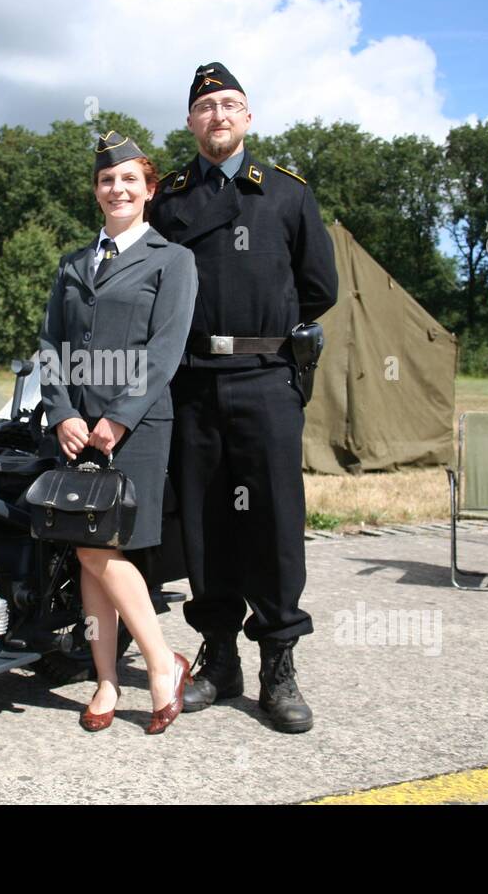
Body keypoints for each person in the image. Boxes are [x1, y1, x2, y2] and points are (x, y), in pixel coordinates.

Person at [148, 62, 338, 733]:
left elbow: (320, 288)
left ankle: (279, 668)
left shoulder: (286, 196)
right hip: (193, 383)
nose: (218, 116)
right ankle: (221, 659)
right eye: (206, 107)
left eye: (231, 105)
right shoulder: (167, 201)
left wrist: (263, 334)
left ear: (248, 118)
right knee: (204, 525)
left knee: (276, 527)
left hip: (265, 381)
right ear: (192, 121)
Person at [36, 130, 199, 734]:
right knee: (87, 547)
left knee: (106, 548)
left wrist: (119, 416)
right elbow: (50, 345)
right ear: (97, 192)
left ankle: (161, 664)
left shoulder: (172, 260)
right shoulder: (72, 263)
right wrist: (62, 412)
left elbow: (166, 348)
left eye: (130, 179)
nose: (118, 188)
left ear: (149, 190)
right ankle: (106, 678)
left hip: (138, 428)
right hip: (77, 429)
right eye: (108, 180)